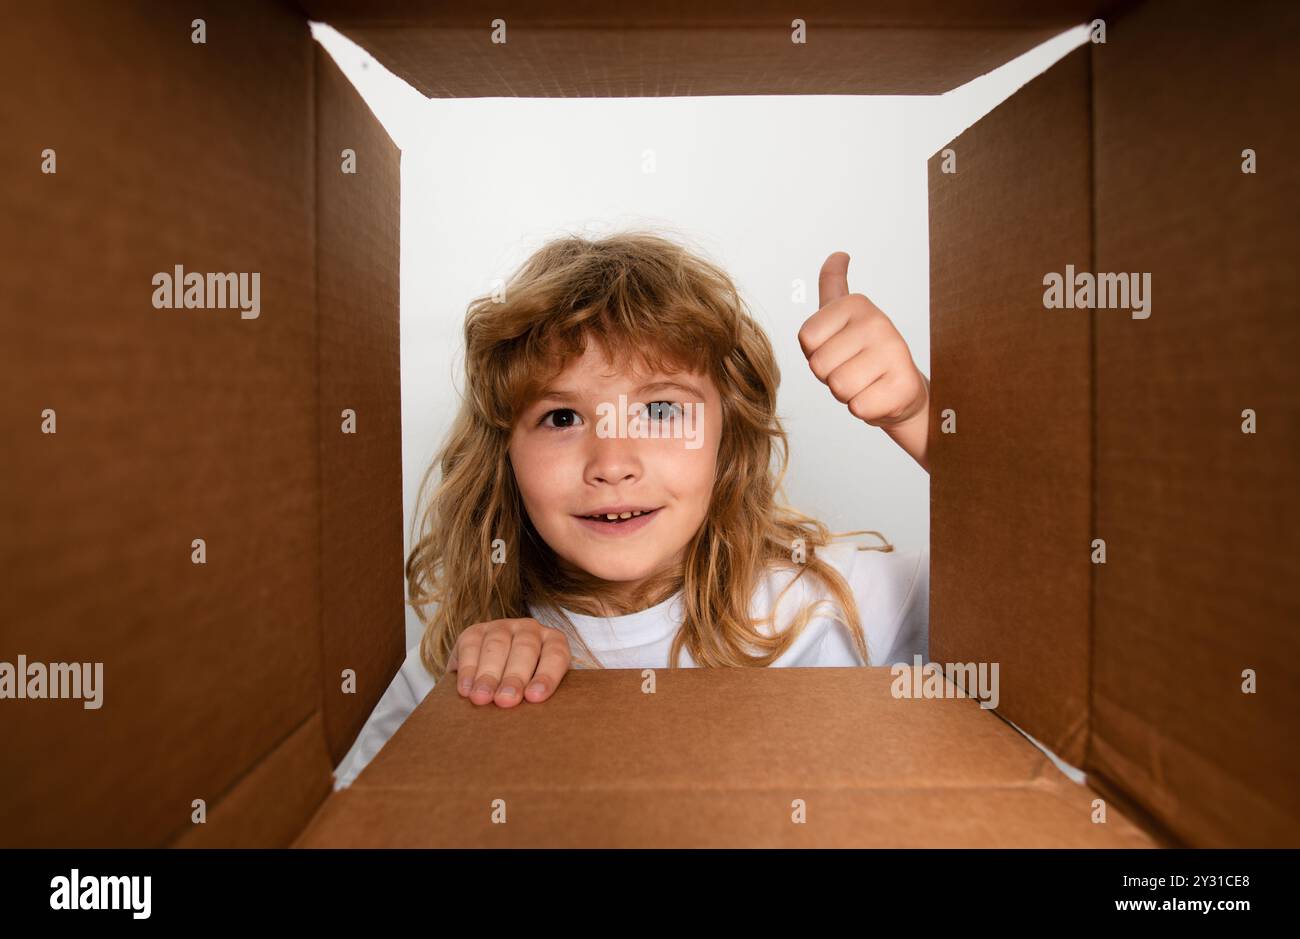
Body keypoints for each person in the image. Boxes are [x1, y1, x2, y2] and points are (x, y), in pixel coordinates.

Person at [333, 231, 931, 790]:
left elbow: (1024, 615)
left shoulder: (839, 604)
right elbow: (352, 823)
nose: (612, 463)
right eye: (562, 418)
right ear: (504, 455)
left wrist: (923, 422)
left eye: (663, 410)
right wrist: (475, 701)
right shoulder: (459, 665)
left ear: (730, 443)